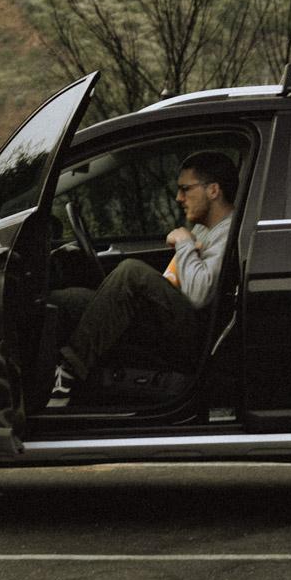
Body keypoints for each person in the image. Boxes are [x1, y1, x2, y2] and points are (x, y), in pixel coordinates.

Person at [44, 150, 238, 408]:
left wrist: (184, 242)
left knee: (131, 271)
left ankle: (68, 372)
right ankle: (40, 377)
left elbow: (200, 295)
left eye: (185, 189)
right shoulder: (204, 227)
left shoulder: (230, 231)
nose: (179, 197)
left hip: (198, 332)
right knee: (66, 301)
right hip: (171, 315)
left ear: (213, 190)